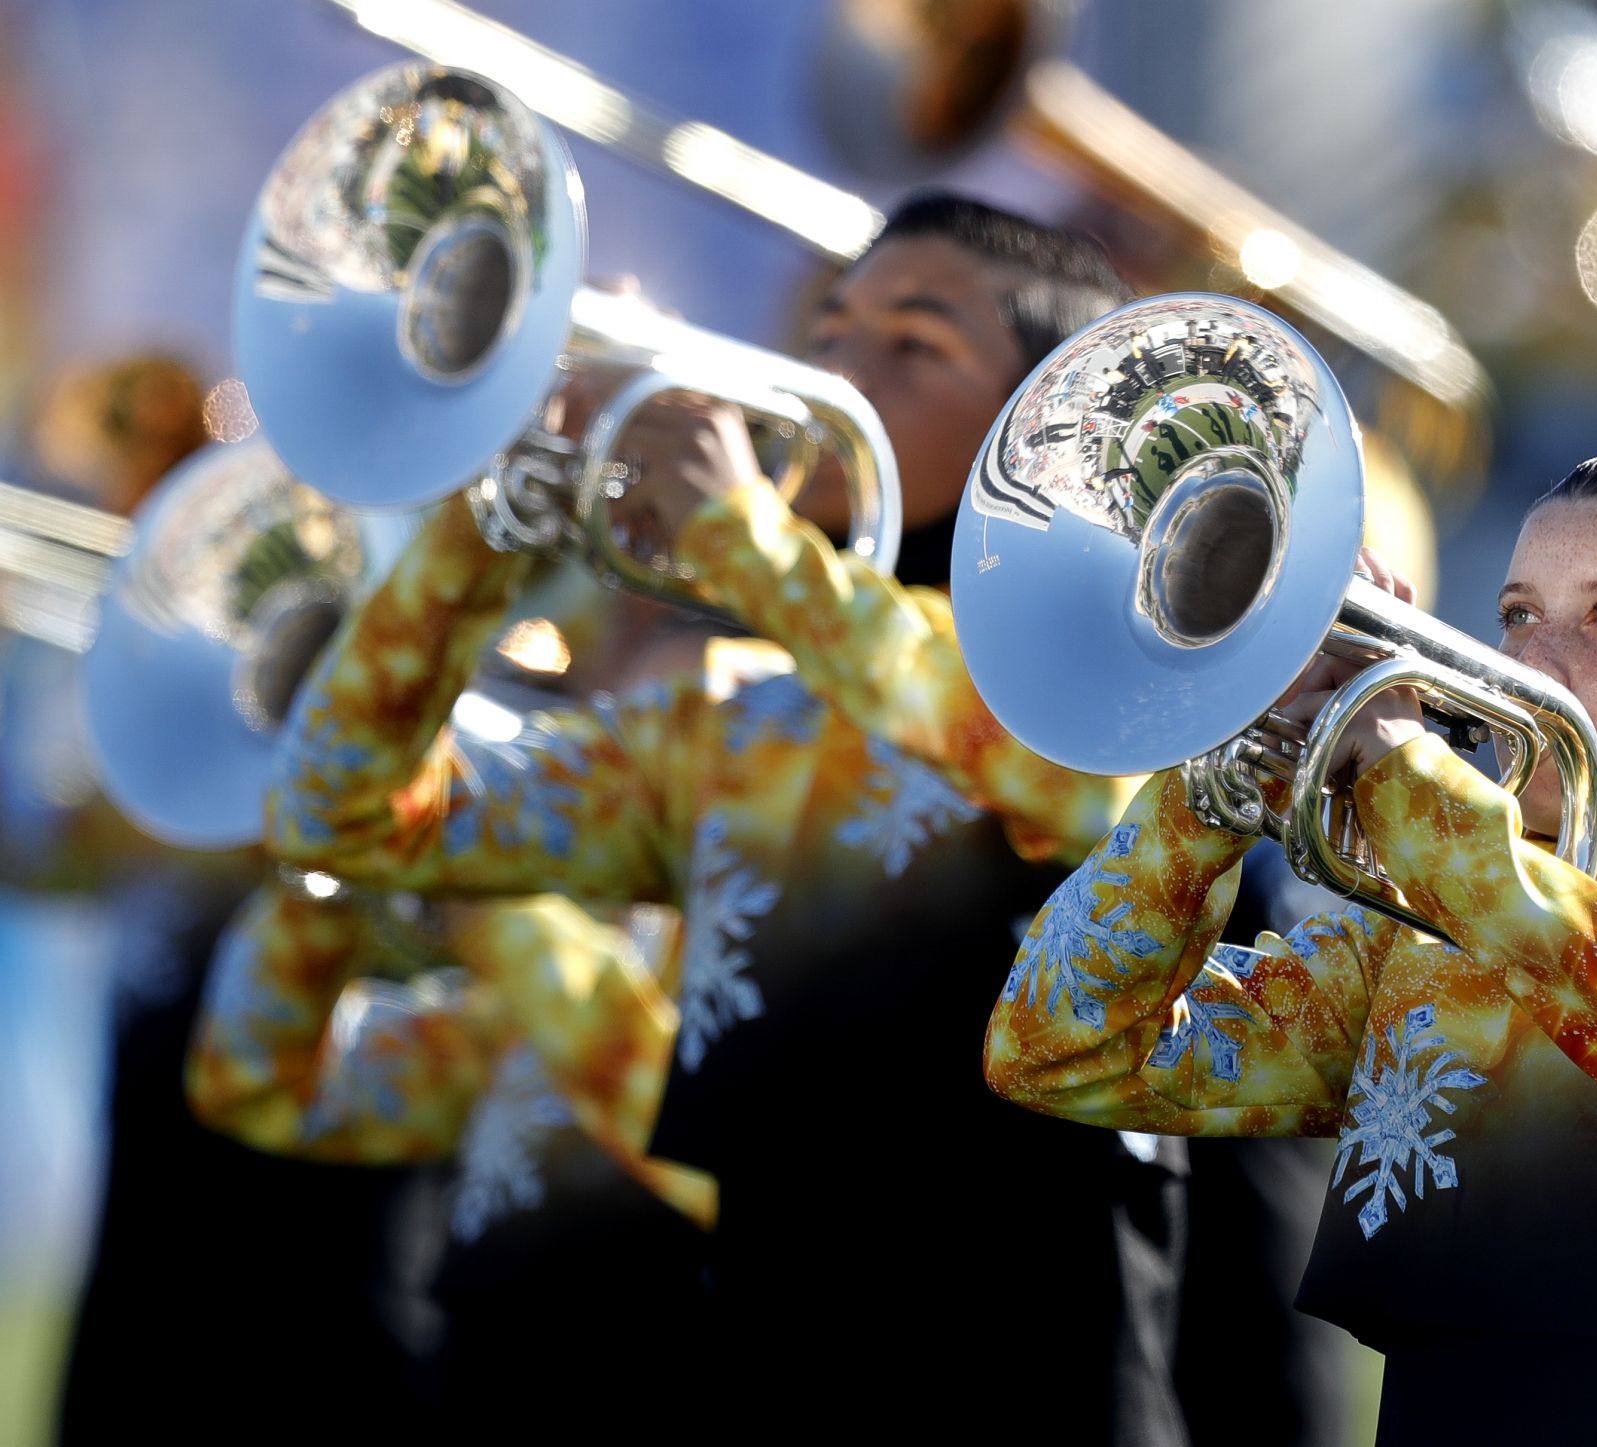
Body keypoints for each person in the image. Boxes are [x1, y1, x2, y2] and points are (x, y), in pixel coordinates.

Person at [259, 194, 1192, 1442]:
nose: (834, 373)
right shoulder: (740, 726)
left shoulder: (1116, 678)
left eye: (913, 345)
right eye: (829, 329)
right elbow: (349, 814)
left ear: (1051, 429)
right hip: (764, 1350)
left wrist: (744, 538)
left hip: (1030, 1368)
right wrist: (481, 533)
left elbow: (1050, 772)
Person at [984, 447, 1597, 1447]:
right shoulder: (1415, 945)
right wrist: (1218, 789)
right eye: (1517, 613)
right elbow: (1060, 1052)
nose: (1529, 660)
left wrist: (1428, 811)